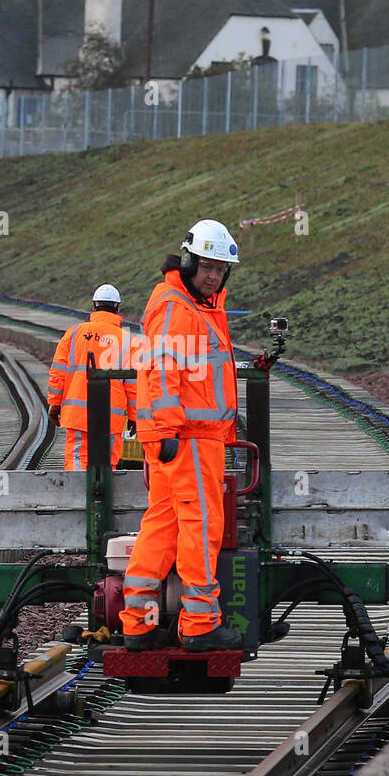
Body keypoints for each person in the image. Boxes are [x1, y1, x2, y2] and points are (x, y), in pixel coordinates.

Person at [119, 220, 242, 651]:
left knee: (163, 526)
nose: (213, 275)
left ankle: (137, 622)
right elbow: (163, 370)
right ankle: (200, 624)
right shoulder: (177, 305)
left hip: (186, 435)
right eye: (207, 266)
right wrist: (170, 427)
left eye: (220, 269)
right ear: (188, 261)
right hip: (187, 436)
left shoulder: (195, 303)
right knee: (201, 525)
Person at [47, 284, 137, 470]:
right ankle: (104, 498)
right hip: (111, 417)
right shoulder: (129, 341)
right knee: (107, 466)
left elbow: (58, 372)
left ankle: (78, 497)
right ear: (118, 308)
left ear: (94, 306)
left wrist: (55, 404)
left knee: (77, 462)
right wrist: (135, 417)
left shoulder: (75, 333)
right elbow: (134, 384)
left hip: (78, 415)